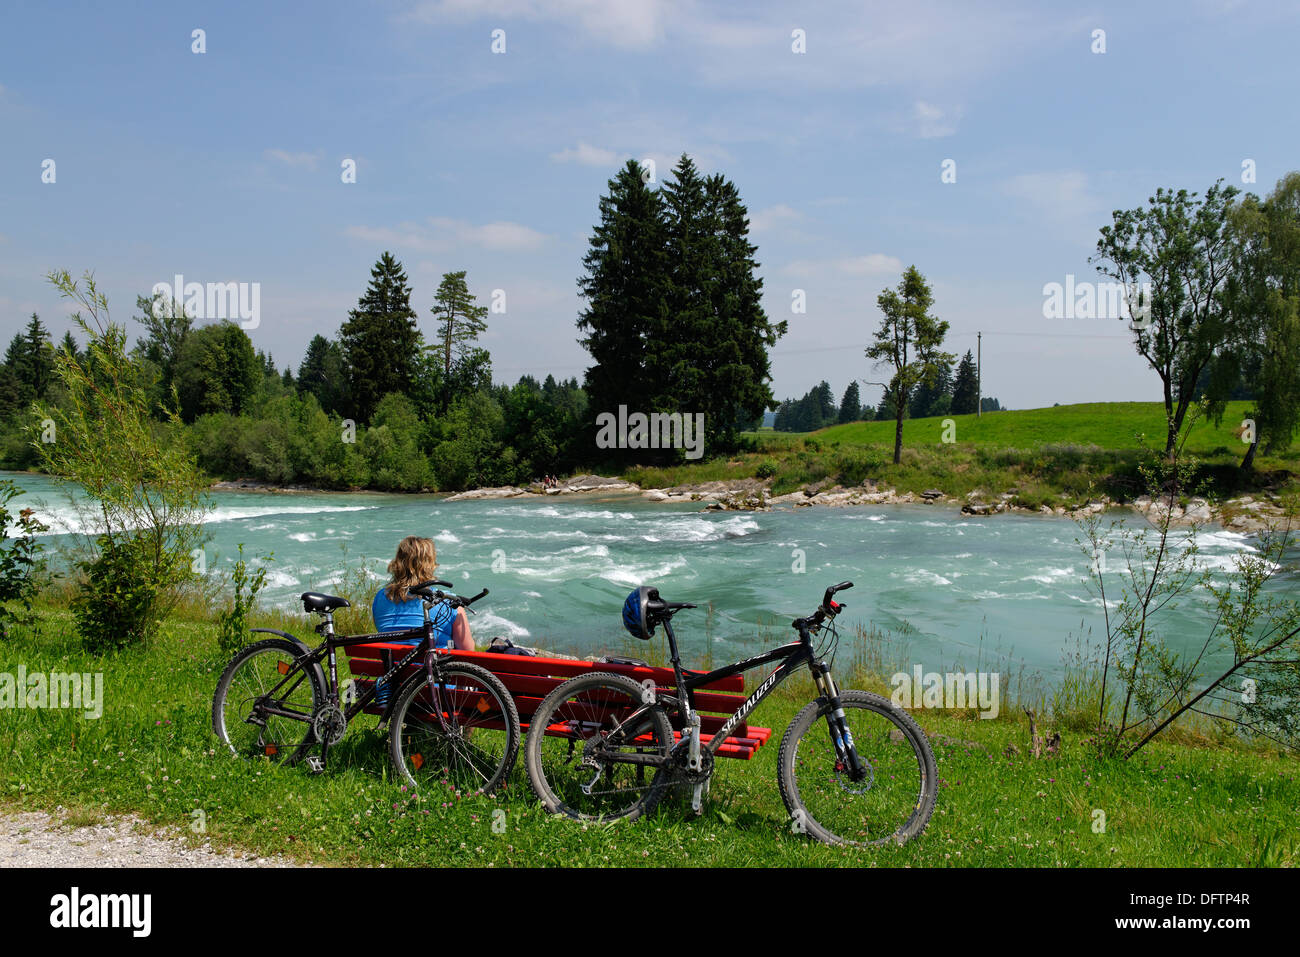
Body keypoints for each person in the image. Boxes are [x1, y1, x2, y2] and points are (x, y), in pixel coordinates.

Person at [371, 536, 474, 704]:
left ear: (398, 562)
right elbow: (469, 655)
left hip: (395, 691)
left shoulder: (380, 598)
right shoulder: (449, 603)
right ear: (430, 564)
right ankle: (464, 729)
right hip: (438, 694)